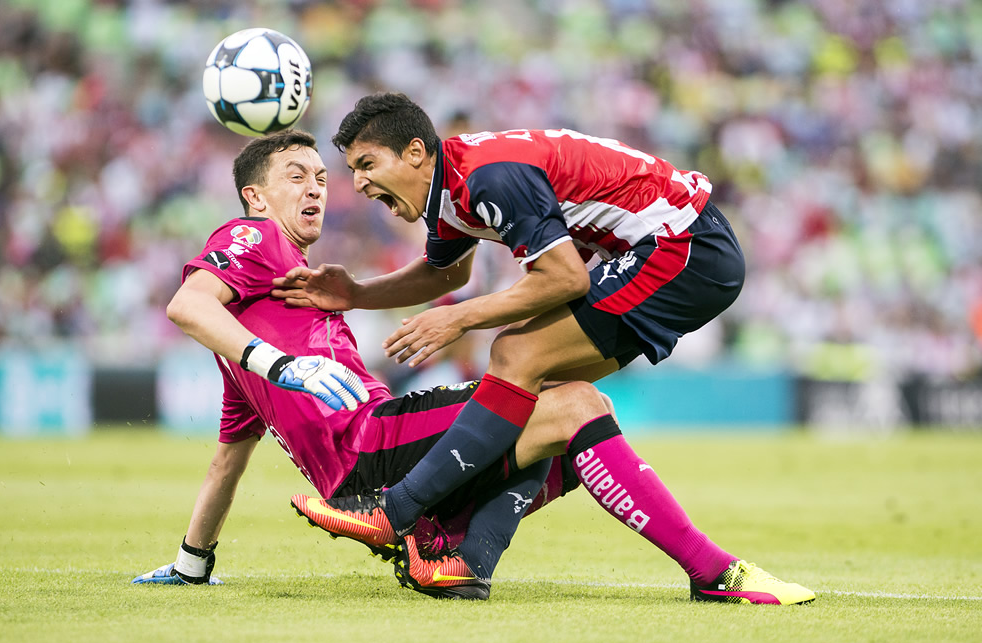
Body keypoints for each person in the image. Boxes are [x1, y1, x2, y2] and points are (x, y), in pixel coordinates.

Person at [273, 93, 815, 604]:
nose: (360, 184)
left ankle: (398, 510)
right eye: (354, 171)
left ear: (416, 153)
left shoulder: (488, 177)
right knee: (555, 398)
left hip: (684, 247)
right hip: (689, 251)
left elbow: (565, 278)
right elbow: (444, 272)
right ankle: (472, 558)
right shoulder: (450, 189)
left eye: (367, 164)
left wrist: (461, 318)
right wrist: (357, 294)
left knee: (517, 355)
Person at [131, 129, 641, 600]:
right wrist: (282, 364)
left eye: (321, 179)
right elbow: (188, 305)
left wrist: (191, 564)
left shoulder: (270, 317)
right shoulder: (255, 237)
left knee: (561, 429)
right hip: (375, 445)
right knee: (571, 403)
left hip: (368, 470)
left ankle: (444, 546)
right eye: (296, 177)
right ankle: (708, 572)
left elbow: (227, 463)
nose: (316, 190)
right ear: (255, 197)